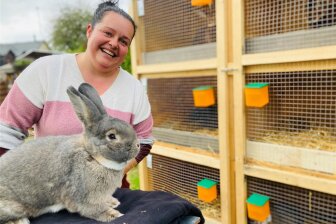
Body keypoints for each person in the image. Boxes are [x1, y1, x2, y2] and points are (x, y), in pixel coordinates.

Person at [0, 0, 154, 188]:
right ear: (90, 30)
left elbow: (144, 140)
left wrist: (113, 172)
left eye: (123, 41)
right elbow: (6, 132)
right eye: (107, 33)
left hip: (109, 196)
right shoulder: (46, 71)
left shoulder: (134, 89)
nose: (114, 43)